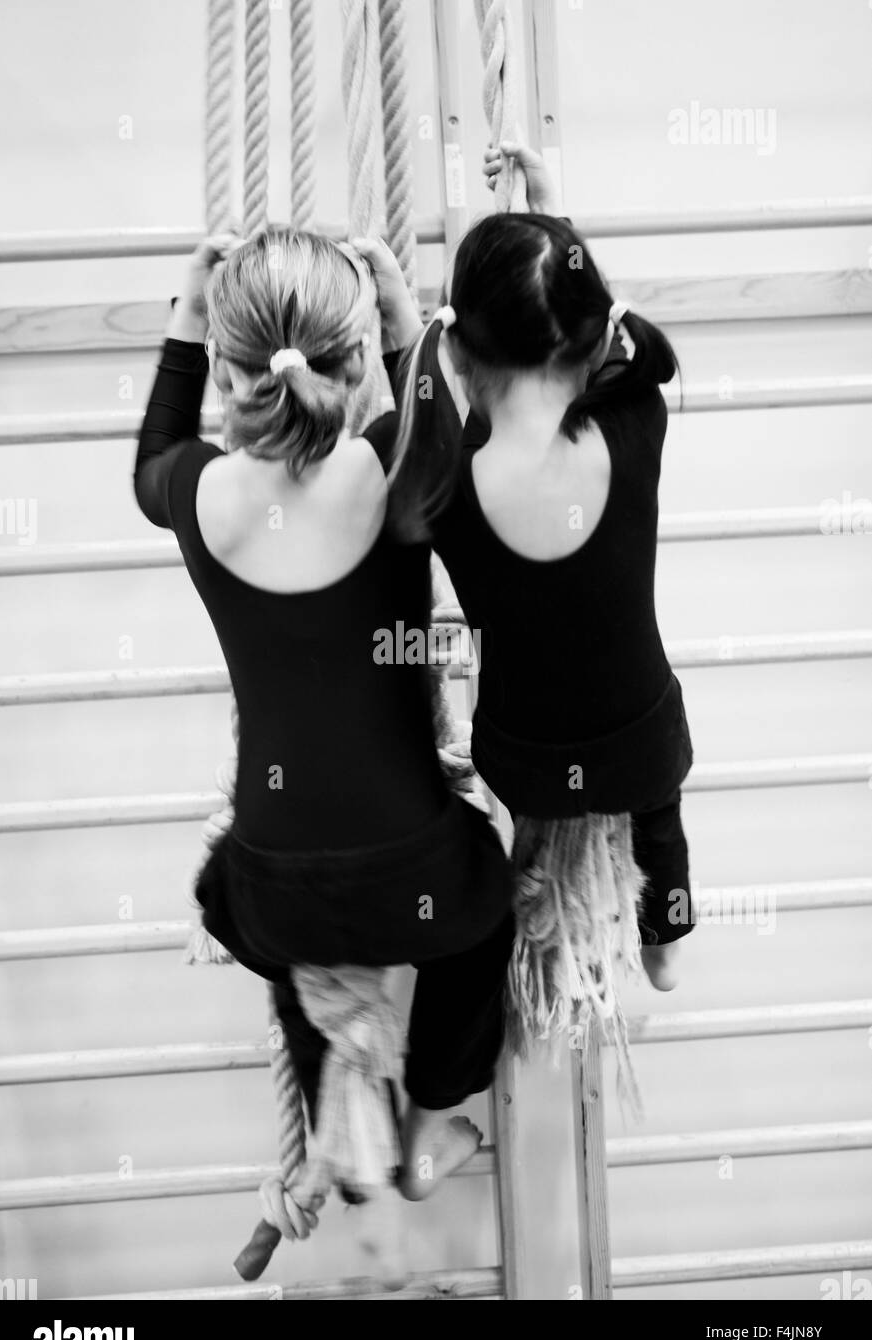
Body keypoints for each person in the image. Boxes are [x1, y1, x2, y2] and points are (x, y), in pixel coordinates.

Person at [133, 229, 515, 1238]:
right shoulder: (396, 474)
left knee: (293, 925)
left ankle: (333, 1129)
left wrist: (185, 316)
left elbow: (152, 454)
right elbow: (441, 426)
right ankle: (427, 1121)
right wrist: (401, 317)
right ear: (354, 367)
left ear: (225, 372)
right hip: (420, 882)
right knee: (483, 917)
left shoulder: (196, 493)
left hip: (270, 892)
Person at [360, 141, 694, 1048]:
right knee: (658, 812)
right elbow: (619, 340)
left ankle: (534, 907)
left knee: (532, 832)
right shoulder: (637, 427)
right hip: (640, 733)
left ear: (459, 345)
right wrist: (559, 224)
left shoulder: (441, 476)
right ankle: (666, 938)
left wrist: (401, 313)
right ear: (587, 337)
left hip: (524, 754)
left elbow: (419, 409)